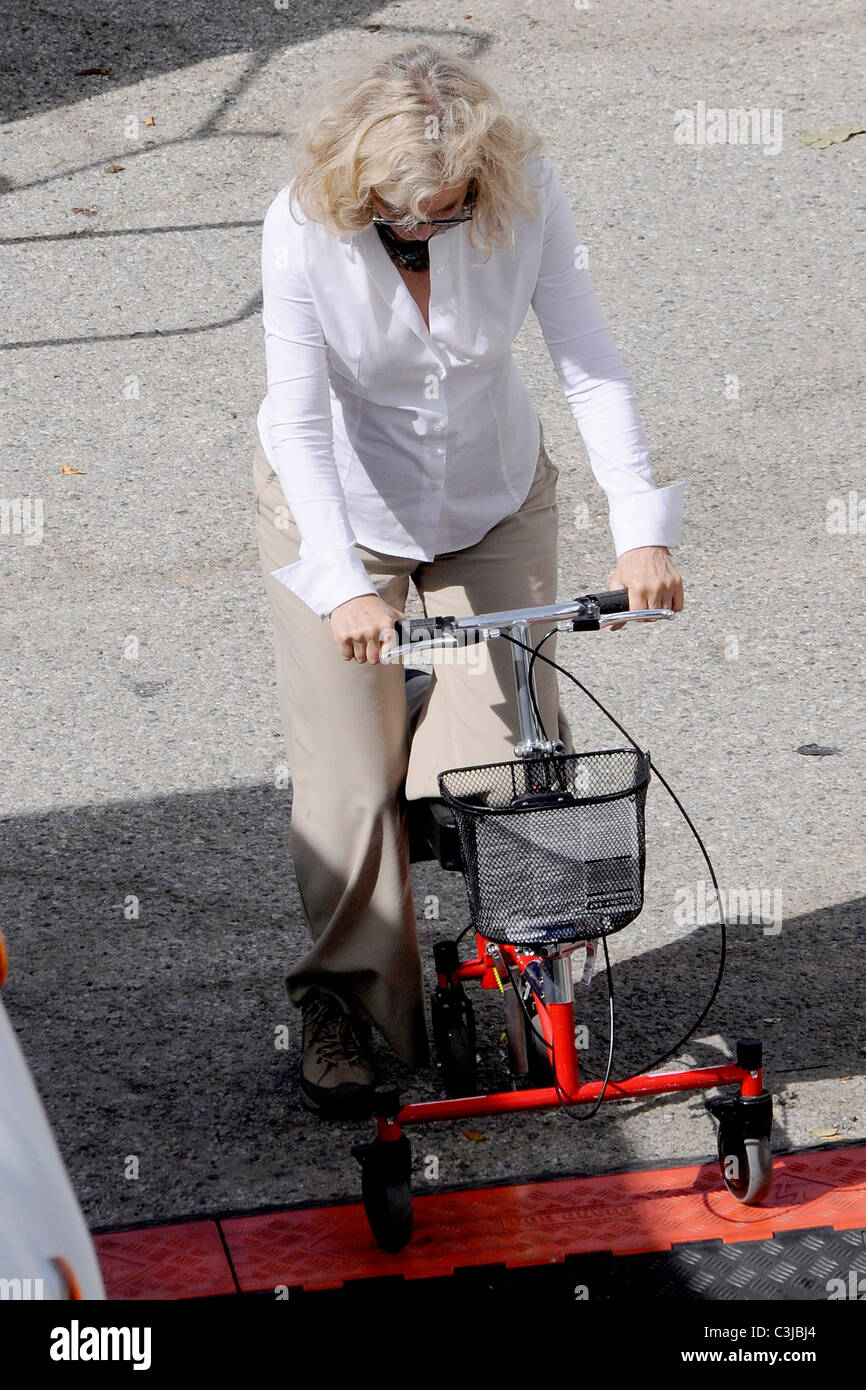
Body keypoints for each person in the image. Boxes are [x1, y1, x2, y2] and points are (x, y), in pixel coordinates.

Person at [252, 43, 684, 1119]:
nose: (424, 231)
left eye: (444, 211)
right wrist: (344, 583)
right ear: (356, 187)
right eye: (399, 217)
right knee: (352, 785)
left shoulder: (525, 198)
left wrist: (639, 533)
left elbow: (587, 359)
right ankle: (345, 1004)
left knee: (506, 770)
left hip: (489, 499)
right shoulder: (302, 225)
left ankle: (521, 980)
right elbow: (298, 419)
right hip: (337, 514)